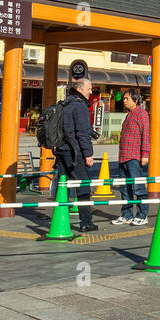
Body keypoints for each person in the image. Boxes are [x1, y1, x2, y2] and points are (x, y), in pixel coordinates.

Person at [53, 78, 98, 232]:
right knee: (83, 185)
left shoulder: (64, 104)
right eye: (89, 89)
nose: (91, 92)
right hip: (74, 152)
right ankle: (85, 222)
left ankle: (60, 219)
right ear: (80, 89)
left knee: (63, 186)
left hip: (60, 150)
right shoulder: (79, 106)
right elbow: (83, 133)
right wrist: (88, 154)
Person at [114, 90, 150, 226]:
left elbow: (145, 135)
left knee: (139, 187)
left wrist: (145, 154)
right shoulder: (129, 115)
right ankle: (126, 214)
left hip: (134, 156)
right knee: (124, 188)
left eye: (127, 99)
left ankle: (142, 214)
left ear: (135, 100)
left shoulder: (142, 114)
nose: (124, 101)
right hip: (123, 156)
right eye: (123, 98)